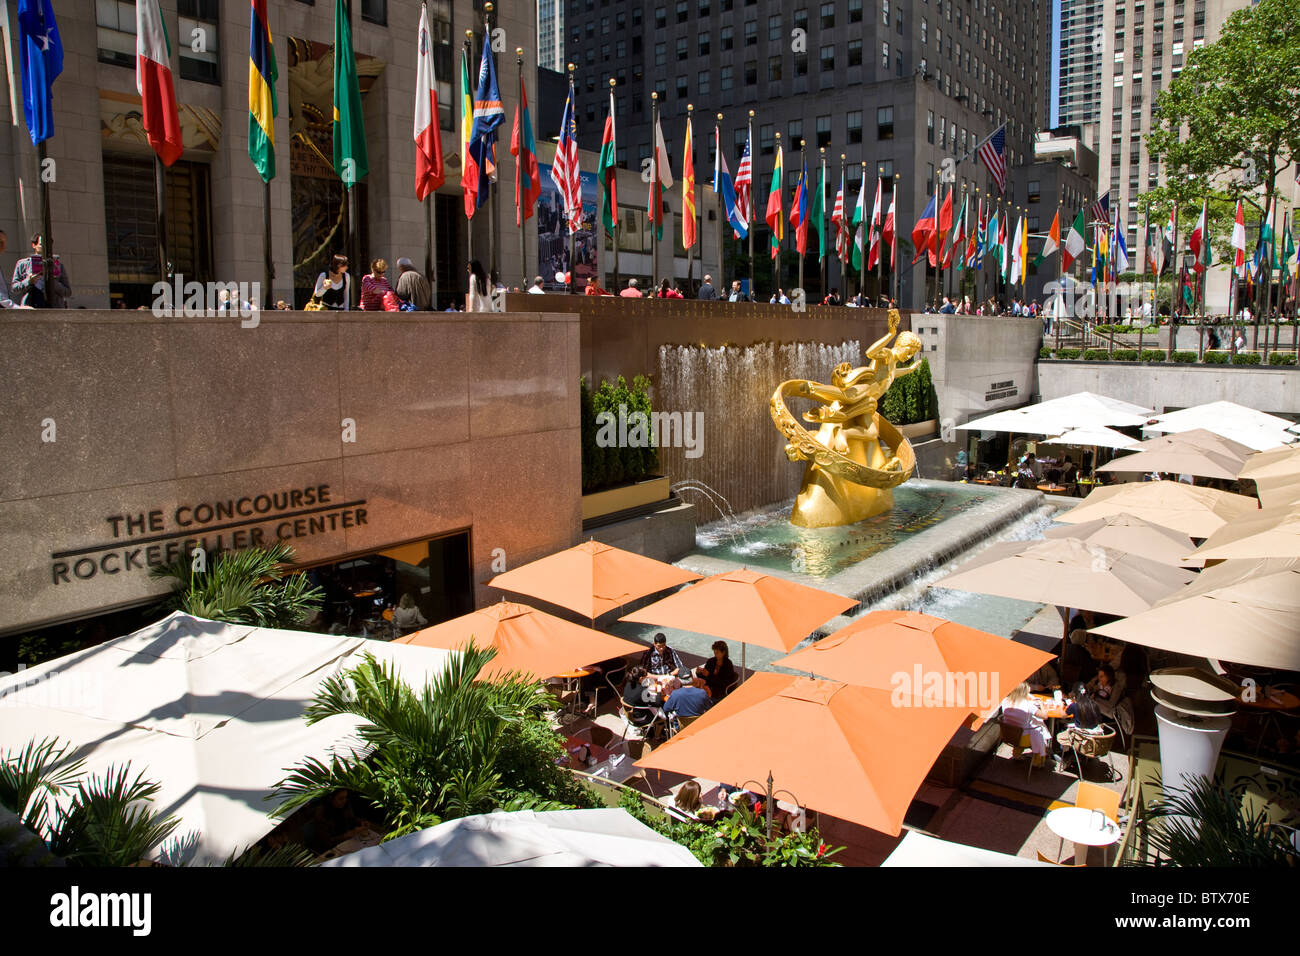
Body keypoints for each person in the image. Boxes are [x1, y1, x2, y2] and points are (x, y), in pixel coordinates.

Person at [11, 233, 70, 308]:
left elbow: (68, 292)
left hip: (53, 307)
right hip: (31, 306)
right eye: (42, 244)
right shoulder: (23, 264)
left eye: (48, 245)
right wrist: (28, 281)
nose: (46, 247)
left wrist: (53, 283)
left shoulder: (58, 266)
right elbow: (14, 288)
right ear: (34, 245)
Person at [1000, 682, 1051, 761]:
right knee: (1041, 730)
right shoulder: (1029, 705)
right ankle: (1037, 762)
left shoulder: (1005, 701)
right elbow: (1045, 716)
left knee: (1022, 726)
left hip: (1007, 734)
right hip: (1022, 738)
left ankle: (1016, 754)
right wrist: (1041, 705)